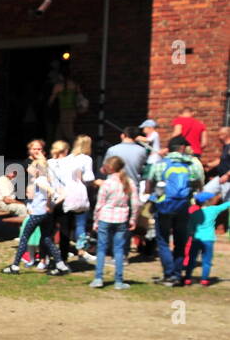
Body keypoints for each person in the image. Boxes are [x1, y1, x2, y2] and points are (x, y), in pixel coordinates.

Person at [146, 135, 205, 286]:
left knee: (163, 240)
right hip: (183, 206)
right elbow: (200, 186)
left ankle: (169, 274)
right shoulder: (192, 164)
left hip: (164, 206)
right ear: (182, 148)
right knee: (180, 241)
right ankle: (177, 275)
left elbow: (148, 187)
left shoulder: (159, 164)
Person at [2, 162, 70, 276]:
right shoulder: (50, 180)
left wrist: (50, 200)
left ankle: (14, 266)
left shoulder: (39, 180)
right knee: (47, 239)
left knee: (24, 237)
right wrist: (51, 206)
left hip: (37, 214)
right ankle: (61, 265)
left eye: (31, 166)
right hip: (46, 215)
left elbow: (52, 192)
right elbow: (63, 194)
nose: (28, 168)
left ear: (37, 170)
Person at [90, 156, 139, 290]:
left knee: (101, 249)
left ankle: (98, 278)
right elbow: (135, 203)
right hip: (121, 218)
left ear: (109, 168)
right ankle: (118, 281)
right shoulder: (129, 182)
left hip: (105, 217)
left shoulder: (106, 183)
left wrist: (95, 220)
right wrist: (133, 219)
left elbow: (99, 204)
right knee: (119, 250)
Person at [186, 190, 230, 285]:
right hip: (208, 239)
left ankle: (188, 278)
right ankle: (204, 279)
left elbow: (189, 228)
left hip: (196, 239)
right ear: (207, 201)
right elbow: (226, 205)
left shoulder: (194, 213)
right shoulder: (213, 210)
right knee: (206, 260)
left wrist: (191, 236)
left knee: (192, 259)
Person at [49, 71, 86, 141]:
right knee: (59, 132)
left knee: (68, 133)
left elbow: (51, 99)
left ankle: (78, 147)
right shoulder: (75, 85)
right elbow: (79, 96)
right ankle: (58, 147)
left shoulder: (58, 86)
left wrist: (49, 106)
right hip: (73, 110)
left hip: (64, 110)